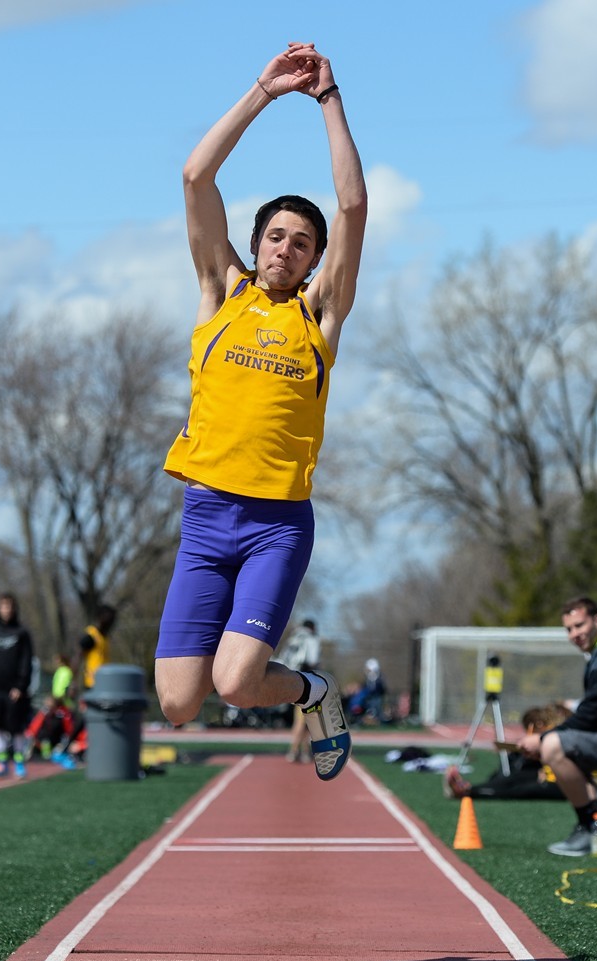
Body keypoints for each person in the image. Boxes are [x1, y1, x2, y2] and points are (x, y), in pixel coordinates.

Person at [153, 42, 366, 783]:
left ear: (315, 261)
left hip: (276, 523)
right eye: (276, 236)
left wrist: (327, 100)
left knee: (238, 684)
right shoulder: (222, 293)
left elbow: (353, 206)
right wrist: (264, 92)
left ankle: (315, 691)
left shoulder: (319, 317)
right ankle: (306, 689)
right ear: (255, 244)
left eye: (302, 244)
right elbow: (196, 176)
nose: (286, 249)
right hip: (207, 516)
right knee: (178, 701)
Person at [514, 598, 597, 856]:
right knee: (560, 743)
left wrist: (544, 738)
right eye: (569, 629)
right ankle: (595, 822)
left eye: (579, 625)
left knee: (554, 746)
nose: (574, 634)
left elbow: (592, 713)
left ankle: (590, 826)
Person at [0, 593, 36, 779]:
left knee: (15, 727)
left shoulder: (22, 633)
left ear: (14, 608)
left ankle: (19, 762)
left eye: (9, 606)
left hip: (14, 690)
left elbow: (26, 661)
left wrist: (21, 685)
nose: (6, 610)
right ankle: (1, 762)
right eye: (3, 606)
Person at [281, 618, 321, 762]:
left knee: (302, 718)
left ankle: (304, 750)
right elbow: (313, 660)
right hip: (306, 682)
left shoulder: (293, 638)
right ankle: (294, 751)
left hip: (291, 680)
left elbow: (284, 658)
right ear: (312, 627)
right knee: (305, 719)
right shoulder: (311, 639)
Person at [76, 605, 117, 695]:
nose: (111, 623)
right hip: (92, 683)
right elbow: (78, 655)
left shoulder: (104, 637)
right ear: (101, 617)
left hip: (105, 682)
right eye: (110, 620)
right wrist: (73, 681)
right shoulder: (92, 636)